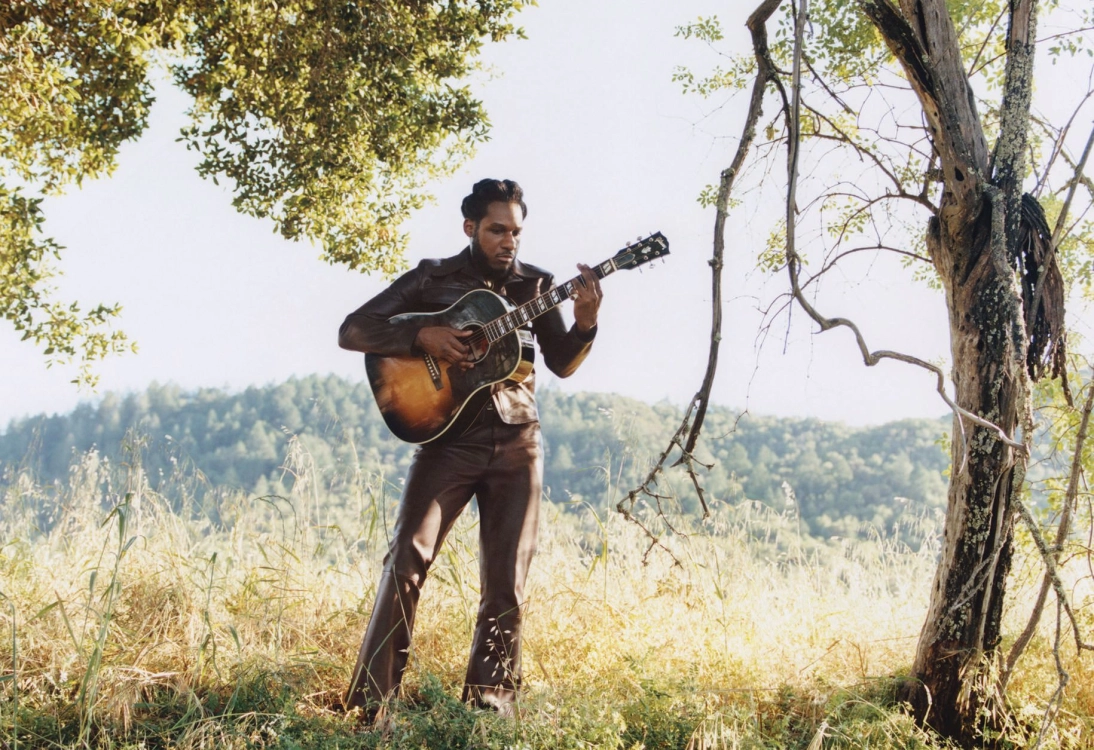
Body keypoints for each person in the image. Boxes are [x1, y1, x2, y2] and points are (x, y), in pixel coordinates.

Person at [338, 178, 603, 720]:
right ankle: (371, 709)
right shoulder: (432, 277)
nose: (509, 241)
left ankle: (489, 712)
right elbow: (353, 329)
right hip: (446, 440)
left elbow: (561, 362)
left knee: (506, 580)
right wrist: (423, 337)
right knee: (406, 560)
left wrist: (586, 322)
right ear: (471, 228)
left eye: (517, 232)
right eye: (498, 230)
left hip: (517, 443)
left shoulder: (537, 285)